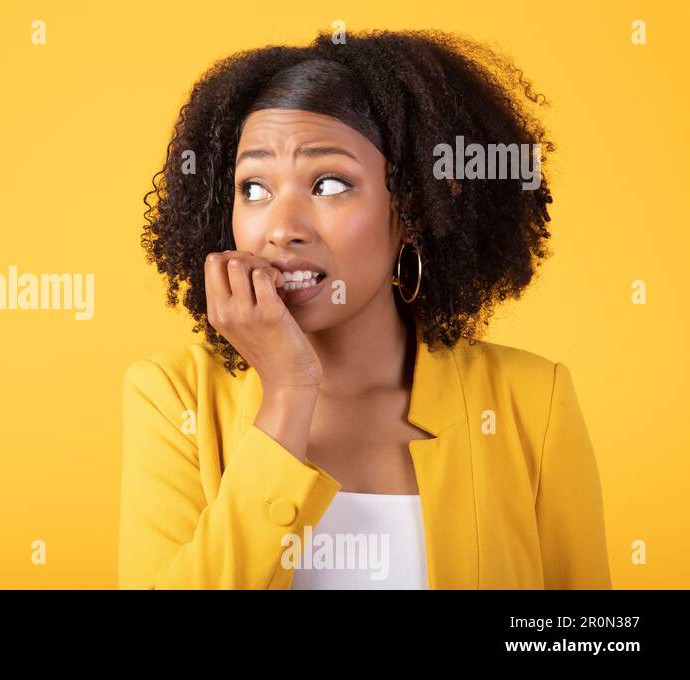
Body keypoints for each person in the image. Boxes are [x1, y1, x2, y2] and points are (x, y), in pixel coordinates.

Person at [119, 30, 611, 589]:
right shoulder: (174, 398)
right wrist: (287, 393)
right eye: (253, 188)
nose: (281, 229)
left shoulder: (532, 401)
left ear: (414, 209)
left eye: (328, 183)